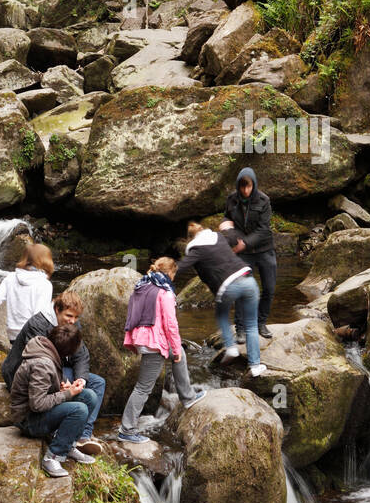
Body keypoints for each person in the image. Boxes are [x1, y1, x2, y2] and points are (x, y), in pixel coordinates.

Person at [0, 289, 105, 455]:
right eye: (69, 316)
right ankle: (63, 437)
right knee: (77, 401)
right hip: (23, 372)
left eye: (76, 318)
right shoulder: (38, 324)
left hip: (54, 368)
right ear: (57, 310)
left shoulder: (71, 323)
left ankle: (83, 435)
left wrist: (80, 380)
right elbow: (38, 364)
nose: (73, 321)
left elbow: (81, 355)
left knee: (97, 383)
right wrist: (64, 387)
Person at [117, 257, 206, 444]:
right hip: (154, 342)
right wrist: (174, 345)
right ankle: (126, 429)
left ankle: (187, 396)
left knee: (178, 353)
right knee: (143, 388)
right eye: (174, 275)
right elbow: (171, 324)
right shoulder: (164, 292)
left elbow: (131, 315)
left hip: (143, 339)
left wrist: (175, 348)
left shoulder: (141, 286)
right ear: (171, 272)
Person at [175, 220, 267, 377]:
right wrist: (229, 228)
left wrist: (163, 272)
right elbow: (234, 235)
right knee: (251, 324)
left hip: (227, 287)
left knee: (222, 315)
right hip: (248, 279)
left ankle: (231, 348)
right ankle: (255, 366)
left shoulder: (195, 250)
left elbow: (181, 268)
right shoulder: (218, 236)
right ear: (203, 230)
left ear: (190, 239)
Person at [10, 323, 100, 478]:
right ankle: (52, 457)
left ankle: (68, 444)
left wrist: (62, 388)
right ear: (67, 351)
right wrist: (67, 394)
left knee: (89, 396)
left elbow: (45, 388)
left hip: (37, 412)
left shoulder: (48, 349)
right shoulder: (42, 364)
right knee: (79, 409)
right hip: (28, 420)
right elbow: (37, 404)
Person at [223, 165, 277, 341]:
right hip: (243, 253)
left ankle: (261, 323)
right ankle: (240, 328)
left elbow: (263, 230)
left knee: (268, 288)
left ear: (254, 185)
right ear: (238, 186)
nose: (246, 191)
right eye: (242, 187)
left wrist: (244, 243)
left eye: (249, 186)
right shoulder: (232, 200)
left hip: (264, 250)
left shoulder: (264, 200)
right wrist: (227, 228)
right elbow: (228, 219)